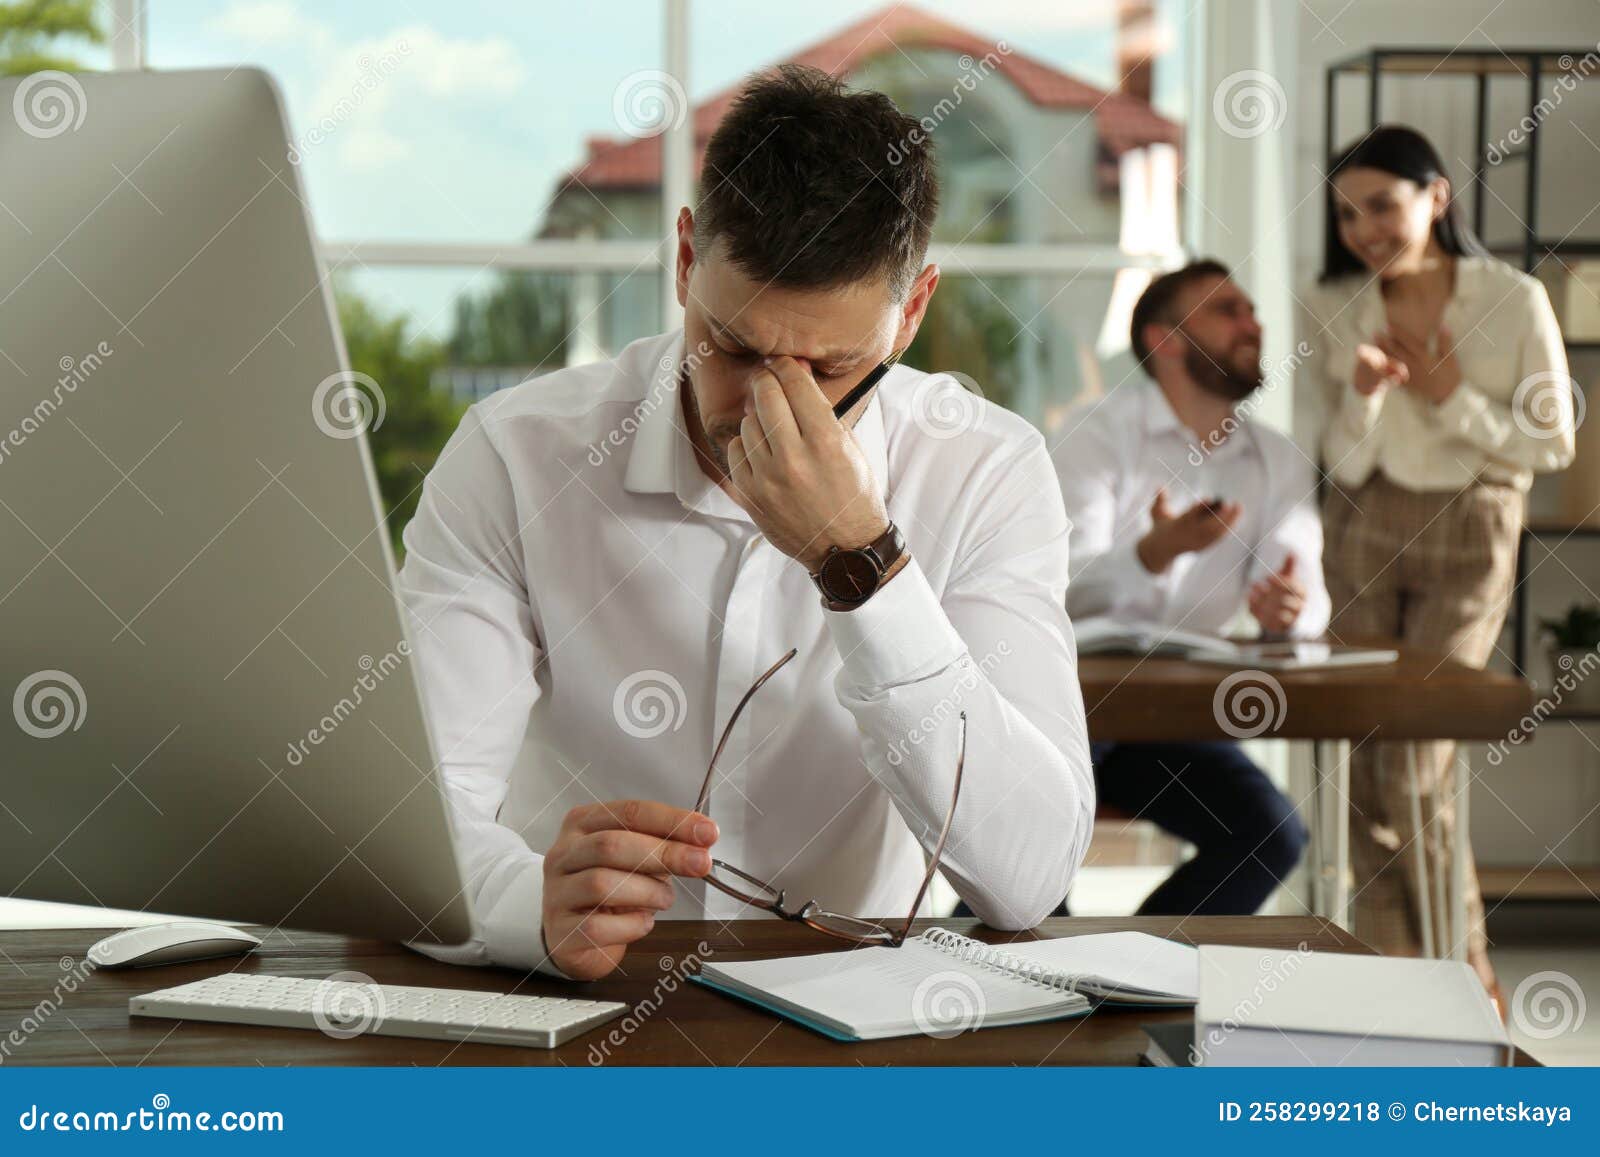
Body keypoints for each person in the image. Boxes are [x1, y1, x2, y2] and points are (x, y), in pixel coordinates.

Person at [395, 65, 1095, 981]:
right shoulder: (516, 454)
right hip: (570, 1004)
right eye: (734, 348)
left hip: (850, 1028)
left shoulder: (985, 470)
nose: (772, 408)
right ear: (686, 261)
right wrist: (521, 902)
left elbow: (1028, 875)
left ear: (911, 312)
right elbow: (407, 820)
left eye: (835, 367)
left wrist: (862, 562)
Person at [1307, 124, 1575, 994]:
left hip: (1472, 526)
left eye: (1382, 205)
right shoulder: (1332, 300)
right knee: (1362, 754)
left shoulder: (1514, 299)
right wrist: (1366, 398)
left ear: (1437, 197)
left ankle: (1464, 971)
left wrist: (1451, 397)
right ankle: (1398, 984)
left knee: (1417, 756)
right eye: (1348, 213)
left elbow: (1553, 444)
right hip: (1362, 520)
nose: (1365, 230)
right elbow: (1343, 462)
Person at [1050, 260, 1328, 915]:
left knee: (1272, 836)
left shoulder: (1277, 459)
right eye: (1226, 310)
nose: (1251, 323)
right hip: (1069, 708)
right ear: (1164, 339)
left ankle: (1131, 974)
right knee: (1036, 845)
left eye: (1251, 309)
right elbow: (1050, 589)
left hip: (1170, 722)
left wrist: (1286, 611)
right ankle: (1002, 974)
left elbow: (1305, 588)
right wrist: (1153, 551)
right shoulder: (1093, 435)